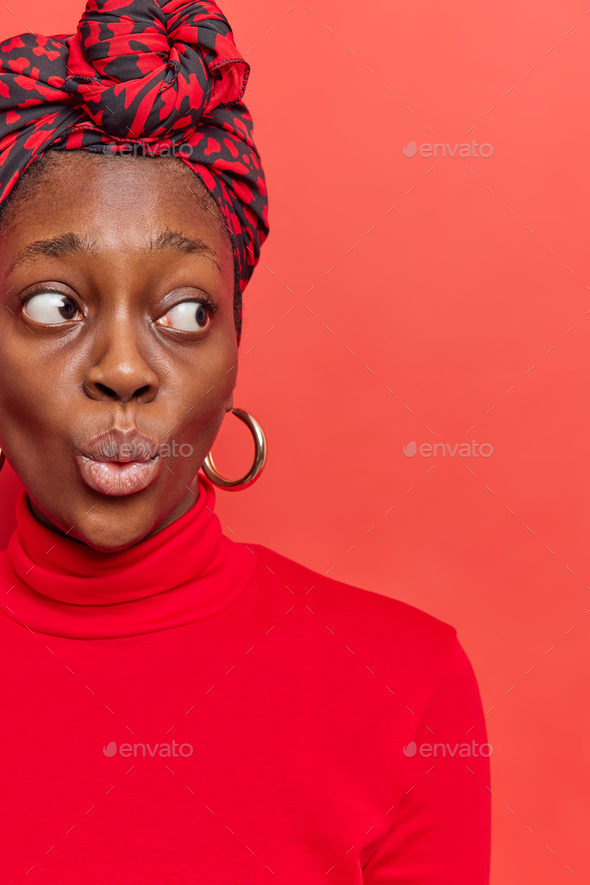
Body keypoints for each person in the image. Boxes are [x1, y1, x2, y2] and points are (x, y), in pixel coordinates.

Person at [0, 2, 491, 882]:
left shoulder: (405, 685)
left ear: (235, 340)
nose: (122, 368)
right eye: (55, 307)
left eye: (185, 313)